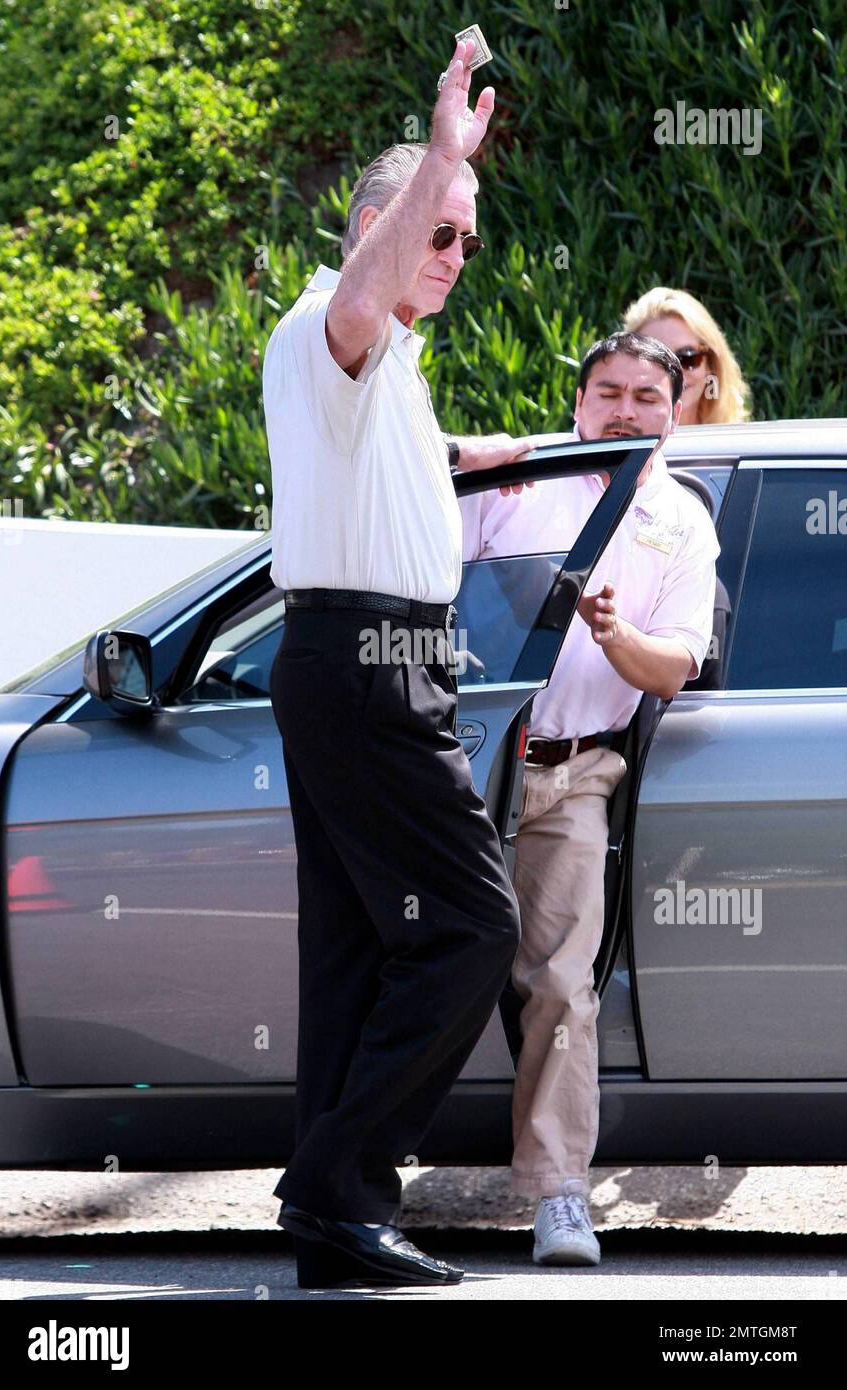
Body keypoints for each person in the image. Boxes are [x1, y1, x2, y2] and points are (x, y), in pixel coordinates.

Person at [261, 38, 535, 1290]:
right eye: (440, 227)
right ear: (377, 223)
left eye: (467, 235)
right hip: (368, 666)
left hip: (366, 664)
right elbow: (355, 312)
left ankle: (335, 1227)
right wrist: (439, 154)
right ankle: (337, 1185)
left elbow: (389, 456)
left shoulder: (391, 369)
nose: (455, 252)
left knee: (362, 950)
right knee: (474, 929)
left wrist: (489, 457)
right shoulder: (333, 325)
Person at [460, 332, 721, 1267]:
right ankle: (356, 1181)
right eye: (606, 392)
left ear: (676, 409)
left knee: (563, 989)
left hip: (576, 776)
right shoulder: (515, 479)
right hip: (461, 768)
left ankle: (558, 1195)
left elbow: (676, 666)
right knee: (421, 967)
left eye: (646, 397)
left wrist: (615, 637)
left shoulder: (682, 521)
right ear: (577, 402)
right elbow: (419, 586)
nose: (624, 410)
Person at [622, 286, 751, 425]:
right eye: (656, 360)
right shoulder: (612, 444)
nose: (674, 373)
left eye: (688, 358)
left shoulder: (740, 444)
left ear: (710, 365)